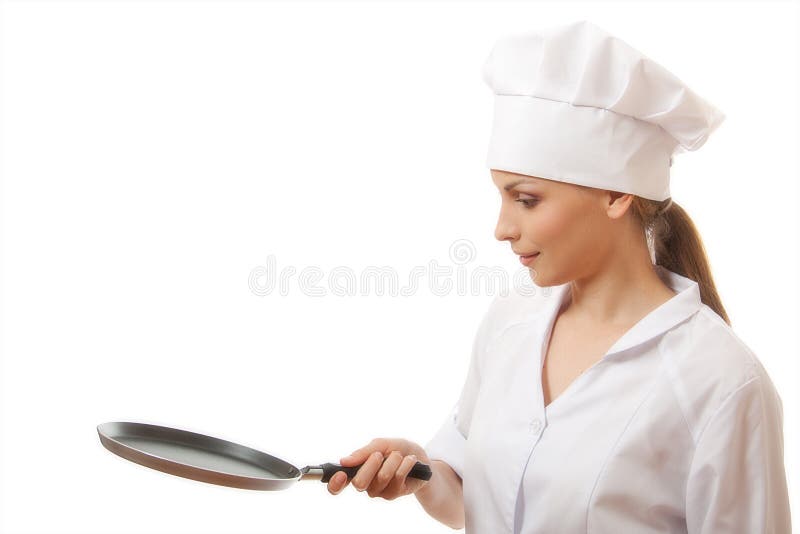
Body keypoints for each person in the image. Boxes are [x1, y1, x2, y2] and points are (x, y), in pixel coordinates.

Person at [326, 20, 792, 533]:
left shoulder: (723, 382)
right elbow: (474, 500)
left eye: (526, 200)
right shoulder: (510, 323)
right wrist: (423, 474)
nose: (501, 229)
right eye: (500, 196)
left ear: (617, 195)